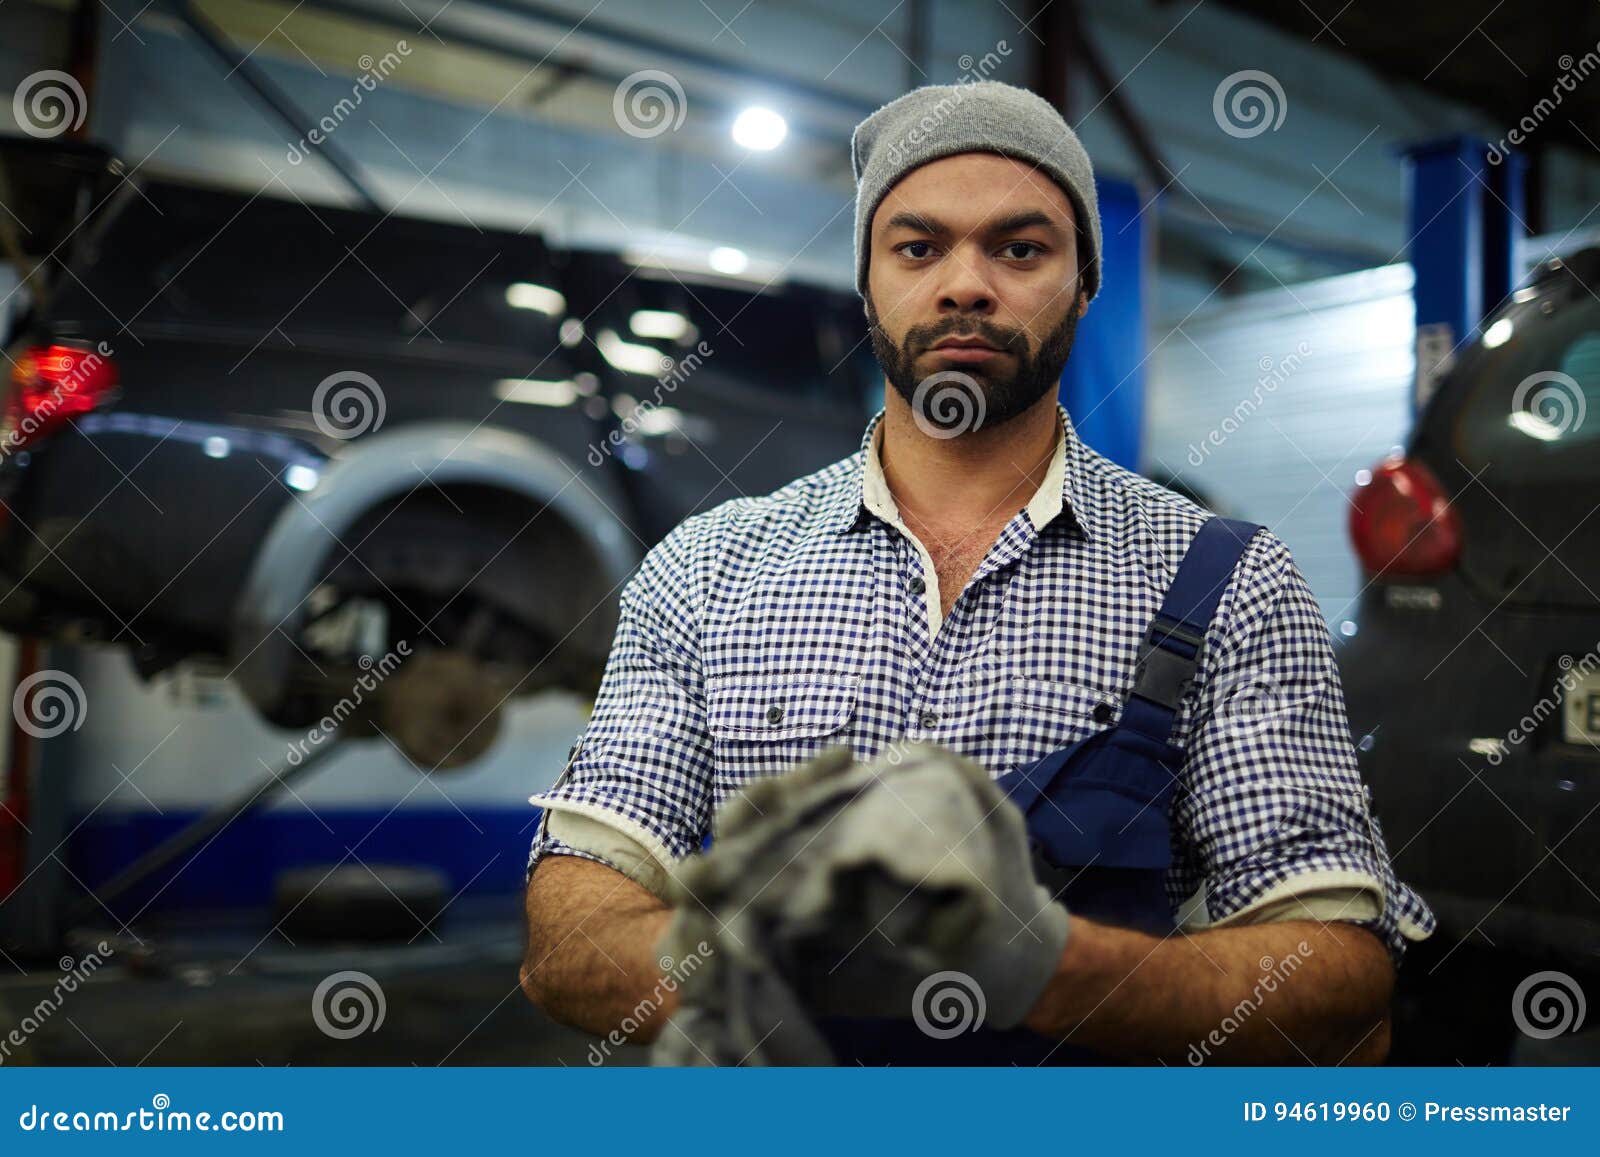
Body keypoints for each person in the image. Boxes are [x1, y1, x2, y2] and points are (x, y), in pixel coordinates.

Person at [519, 79, 1434, 1064]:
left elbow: (1340, 974)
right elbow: (566, 938)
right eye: (918, 248)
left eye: (1019, 248)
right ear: (867, 281)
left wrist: (1055, 969)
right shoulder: (707, 571)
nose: (965, 284)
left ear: (1084, 283)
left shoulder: (1229, 583)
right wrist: (757, 979)